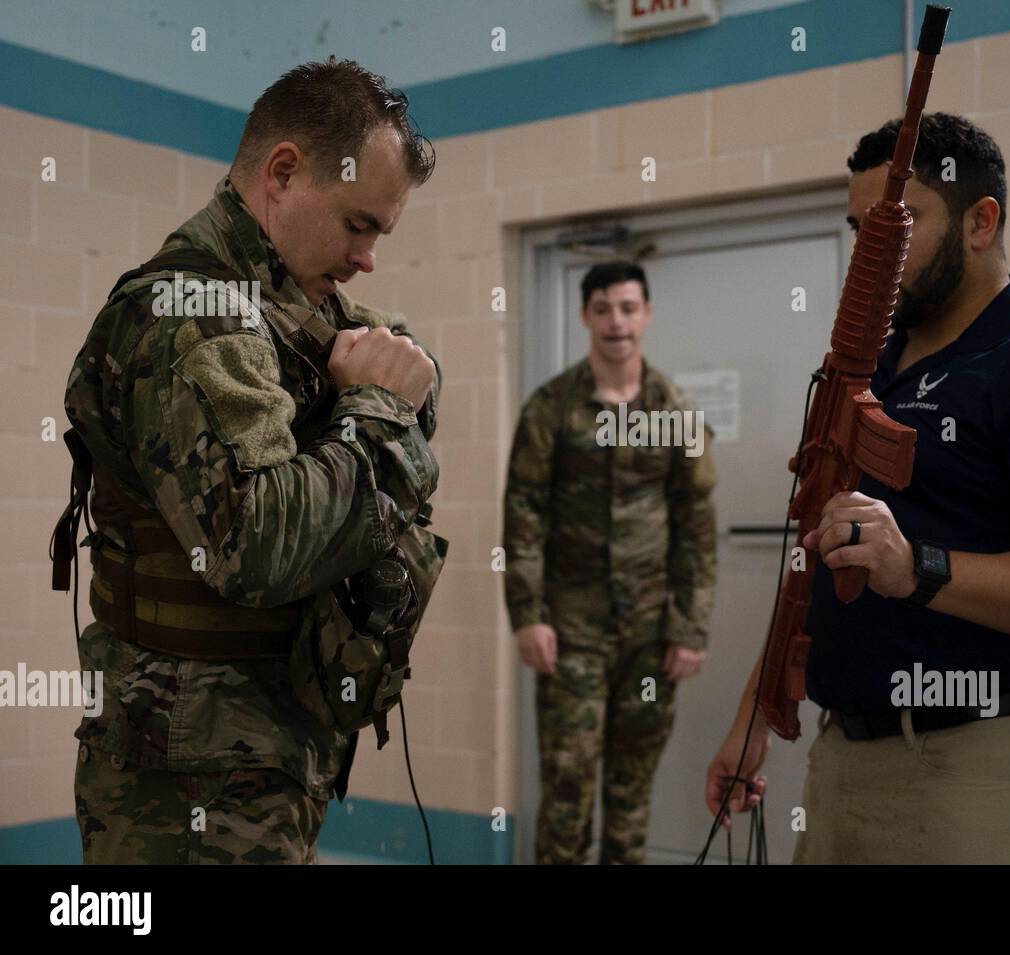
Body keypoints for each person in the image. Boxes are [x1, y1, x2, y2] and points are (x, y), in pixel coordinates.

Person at [706, 113, 1010, 864]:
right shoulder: (862, 370)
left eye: (903, 222)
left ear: (982, 223)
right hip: (845, 757)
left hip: (985, 766)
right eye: (861, 229)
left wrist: (919, 567)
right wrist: (757, 710)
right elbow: (814, 560)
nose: (873, 253)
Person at [59, 58, 444, 864]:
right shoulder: (189, 317)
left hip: (257, 748)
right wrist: (378, 407)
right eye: (359, 224)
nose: (369, 256)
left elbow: (414, 376)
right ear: (283, 172)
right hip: (190, 776)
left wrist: (397, 385)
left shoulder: (290, 303)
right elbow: (256, 548)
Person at [504, 261, 718, 864]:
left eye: (628, 307)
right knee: (567, 793)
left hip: (652, 635)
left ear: (646, 314)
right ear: (584, 317)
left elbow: (697, 529)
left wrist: (689, 627)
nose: (616, 322)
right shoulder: (551, 408)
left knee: (630, 793)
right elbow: (523, 517)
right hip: (571, 634)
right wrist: (528, 615)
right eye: (602, 309)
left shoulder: (675, 410)